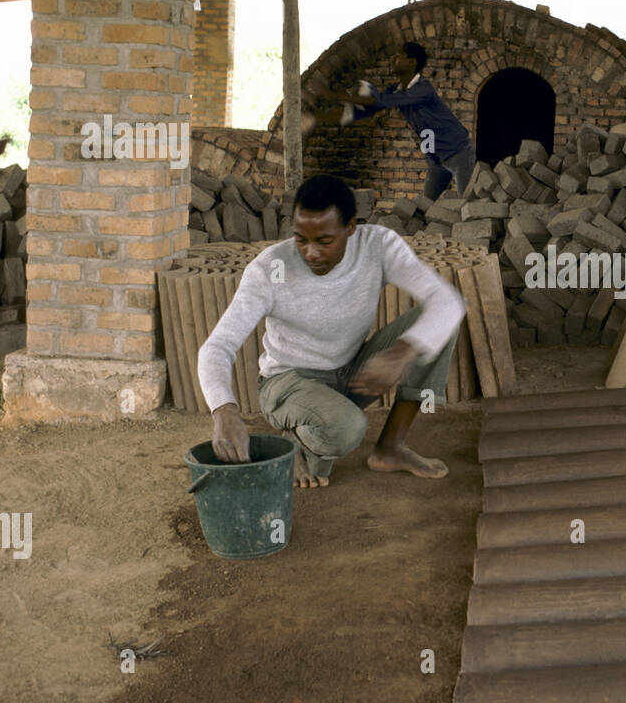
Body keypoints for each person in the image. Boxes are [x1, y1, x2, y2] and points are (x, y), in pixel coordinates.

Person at [199, 174, 466, 488]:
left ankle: (390, 447)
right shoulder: (270, 269)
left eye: (324, 241)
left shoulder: (377, 246)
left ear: (350, 228)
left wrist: (404, 350)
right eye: (301, 239)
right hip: (288, 382)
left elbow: (448, 302)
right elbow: (218, 346)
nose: (311, 252)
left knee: (439, 322)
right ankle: (292, 441)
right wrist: (224, 410)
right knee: (347, 429)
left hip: (350, 372)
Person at [318, 41, 476, 200]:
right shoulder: (395, 90)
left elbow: (380, 101)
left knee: (469, 205)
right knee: (425, 206)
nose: (392, 59)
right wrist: (322, 117)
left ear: (412, 62)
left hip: (459, 152)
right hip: (437, 159)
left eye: (399, 56)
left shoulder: (423, 88)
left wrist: (336, 96)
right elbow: (371, 108)